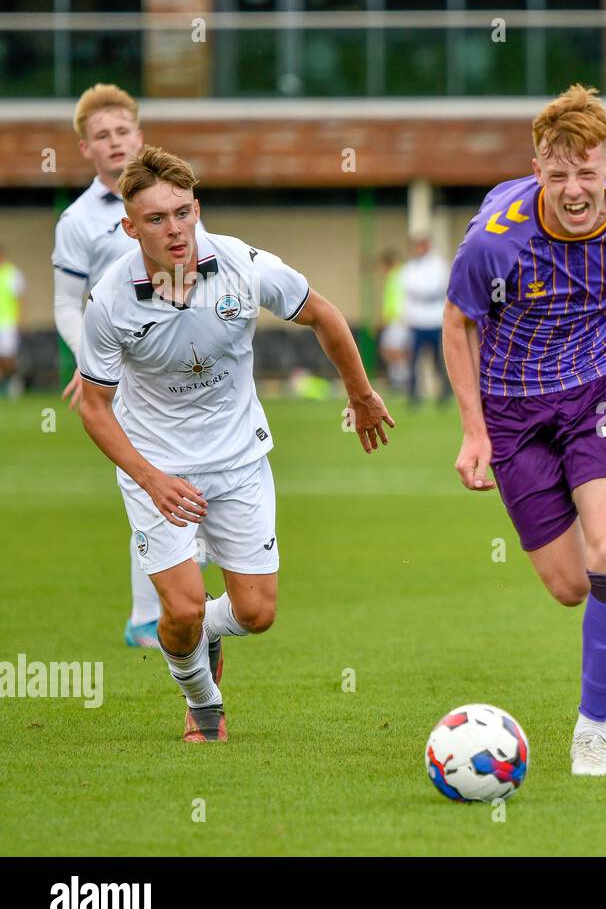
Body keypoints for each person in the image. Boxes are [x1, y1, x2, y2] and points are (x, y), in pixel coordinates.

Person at [76, 146, 394, 742]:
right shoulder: (110, 301)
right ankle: (203, 705)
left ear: (196, 207)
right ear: (129, 226)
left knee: (257, 613)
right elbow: (95, 409)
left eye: (183, 212)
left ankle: (211, 633)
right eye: (155, 219)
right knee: (182, 610)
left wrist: (361, 393)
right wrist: (150, 479)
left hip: (240, 461)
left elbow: (323, 314)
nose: (174, 229)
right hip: (159, 472)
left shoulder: (245, 265)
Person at [443, 84, 606, 775]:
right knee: (571, 585)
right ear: (537, 168)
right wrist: (473, 431)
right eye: (557, 174)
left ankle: (591, 734)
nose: (573, 190)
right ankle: (593, 547)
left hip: (600, 394)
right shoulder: (495, 242)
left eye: (586, 172)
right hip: (511, 408)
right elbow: (458, 324)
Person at [51, 83, 205, 648]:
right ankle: (149, 616)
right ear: (86, 149)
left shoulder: (171, 199)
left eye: (122, 131)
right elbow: (68, 303)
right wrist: (86, 358)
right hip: (125, 371)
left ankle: (170, 604)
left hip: (184, 365)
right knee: (150, 484)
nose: (114, 142)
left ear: (139, 136)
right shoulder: (77, 222)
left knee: (198, 477)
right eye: (101, 136)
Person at [400, 235, 450, 405]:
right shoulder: (409, 268)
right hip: (417, 320)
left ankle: (444, 393)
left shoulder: (438, 265)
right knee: (414, 360)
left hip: (435, 319)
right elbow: (408, 290)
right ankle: (413, 394)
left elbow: (437, 287)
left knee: (438, 360)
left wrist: (422, 292)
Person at [376, 247, 410, 390]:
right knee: (391, 349)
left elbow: (399, 300)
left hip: (398, 319)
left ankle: (401, 378)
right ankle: (400, 376)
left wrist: (389, 318)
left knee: (393, 349)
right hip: (394, 319)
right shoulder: (394, 276)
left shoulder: (400, 276)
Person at [0, 244, 24, 393]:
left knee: (8, 356)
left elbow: (20, 298)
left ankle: (15, 379)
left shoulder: (12, 274)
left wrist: (19, 319)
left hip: (8, 322)